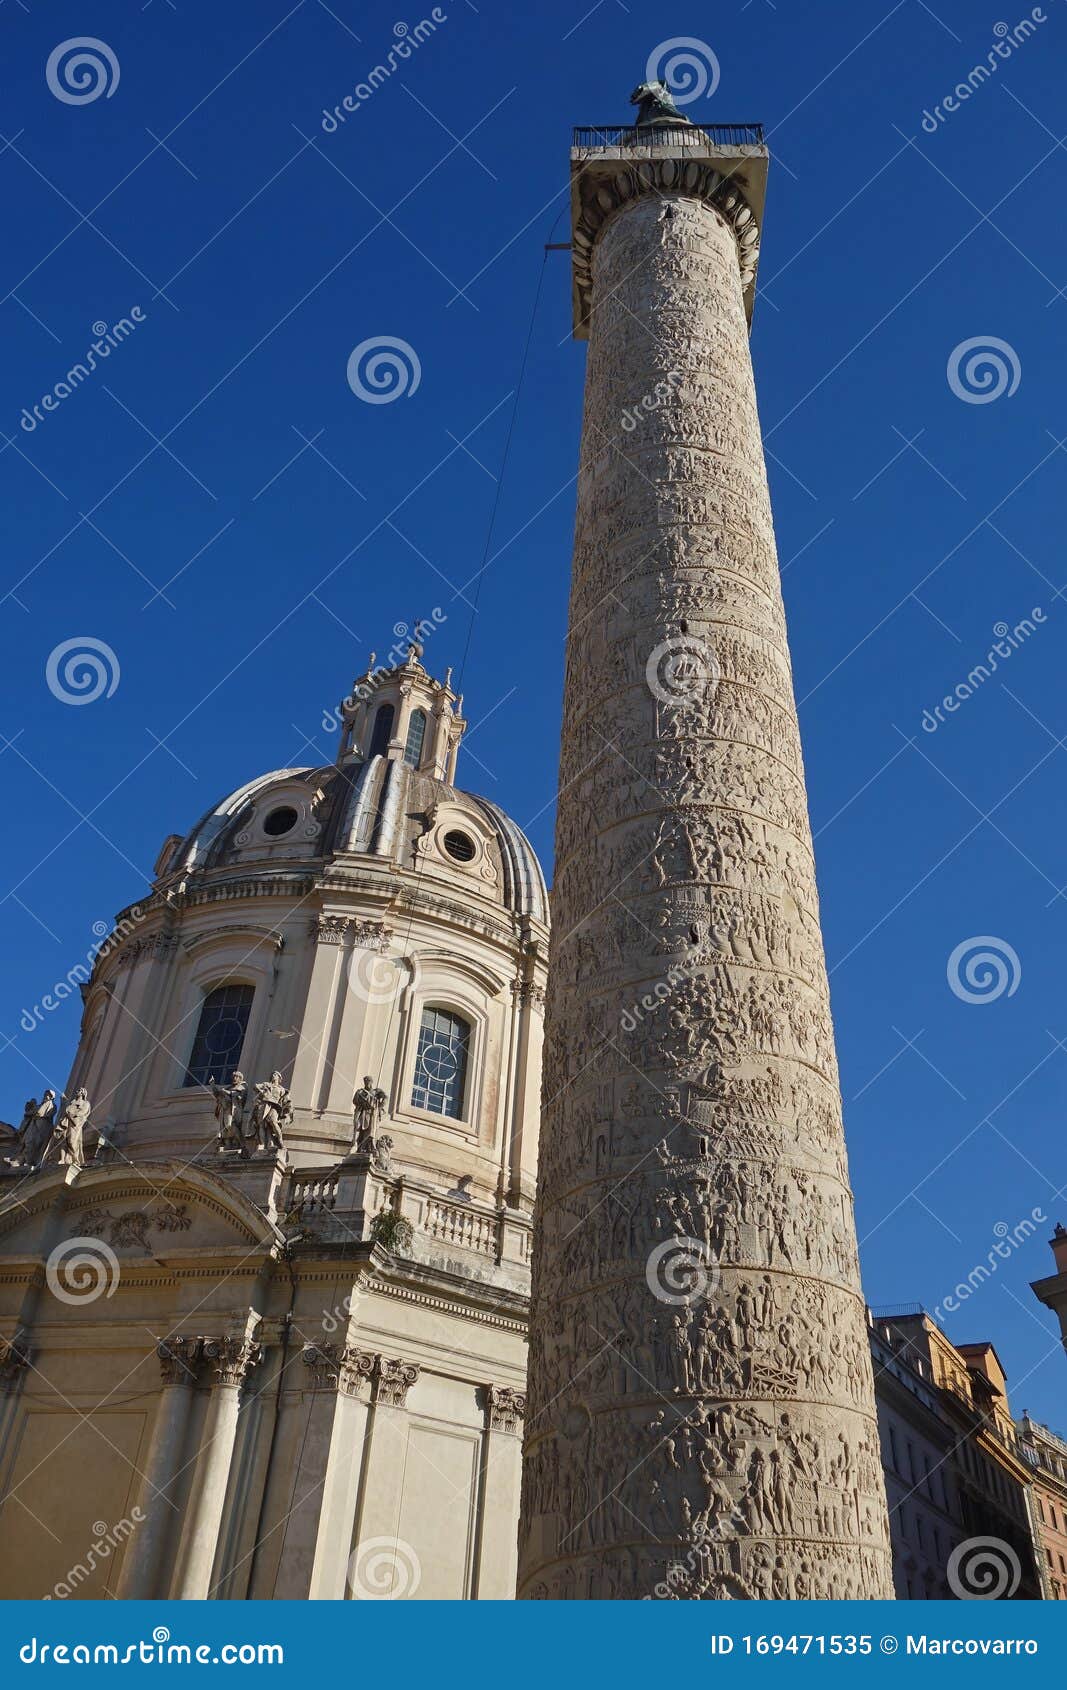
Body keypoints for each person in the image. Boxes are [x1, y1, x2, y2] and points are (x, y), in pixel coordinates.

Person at [208, 1071, 247, 1155]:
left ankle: (241, 1143)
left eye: (236, 1077)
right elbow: (217, 1095)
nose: (234, 1078)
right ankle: (228, 1144)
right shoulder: (229, 1087)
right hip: (225, 1109)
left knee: (230, 1125)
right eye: (233, 1077)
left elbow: (238, 1095)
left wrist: (225, 1092)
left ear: (240, 1078)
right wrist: (212, 1085)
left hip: (234, 1110)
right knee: (224, 1128)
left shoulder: (243, 1086)